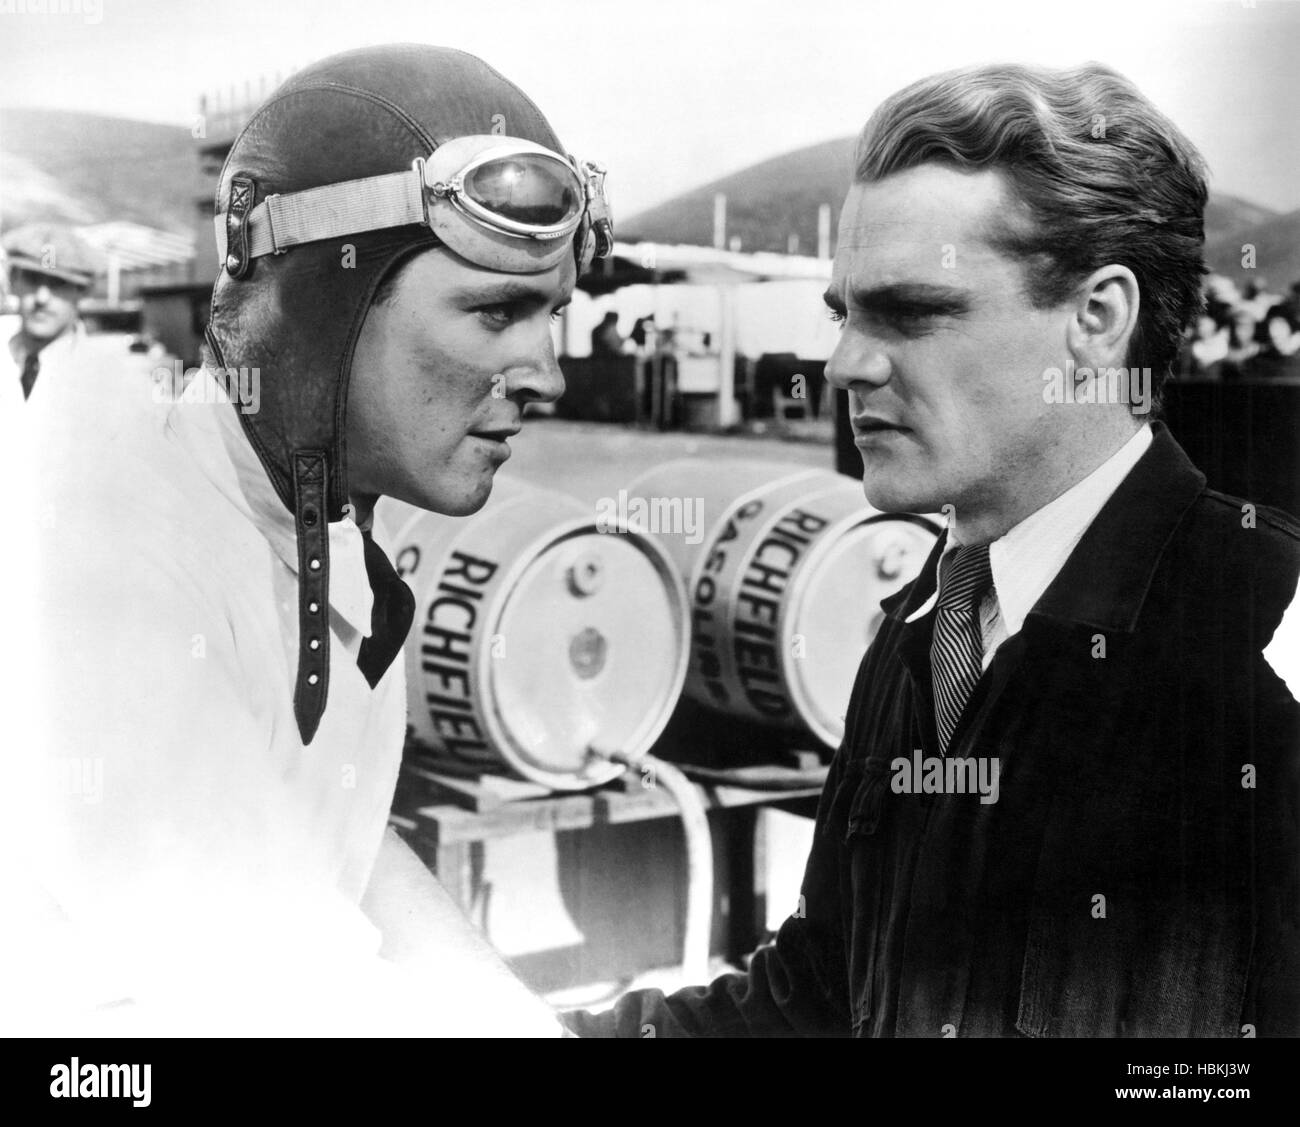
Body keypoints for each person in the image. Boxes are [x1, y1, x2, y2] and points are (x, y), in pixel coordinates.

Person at [563, 61, 1299, 1038]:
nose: (843, 365)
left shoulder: (1269, 633)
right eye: (845, 315)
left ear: (1097, 320)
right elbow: (823, 988)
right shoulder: (921, 620)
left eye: (910, 314)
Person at [9, 43, 613, 1036]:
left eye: (550, 316)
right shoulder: (97, 533)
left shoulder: (325, 529)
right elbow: (280, 986)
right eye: (493, 310)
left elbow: (345, 850)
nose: (544, 373)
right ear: (323, 313)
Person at [1, 224, 99, 404]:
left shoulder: (103, 376)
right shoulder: (3, 357)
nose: (42, 298)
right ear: (13, 281)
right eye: (32, 279)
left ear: (83, 291)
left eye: (58, 283)